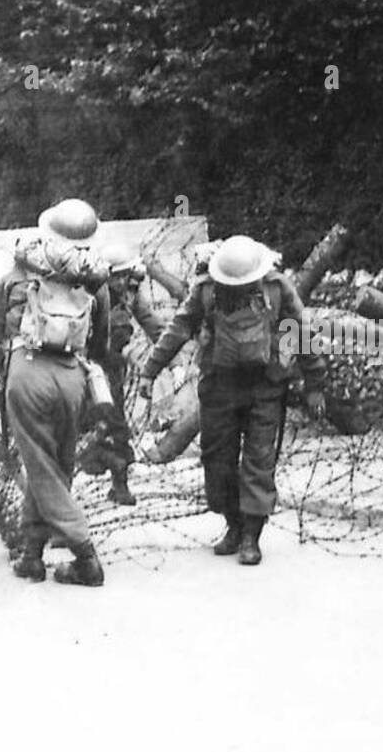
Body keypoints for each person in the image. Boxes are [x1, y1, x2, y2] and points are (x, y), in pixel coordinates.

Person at [138, 235, 326, 565]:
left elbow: (302, 332)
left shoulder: (277, 287)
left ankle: (251, 536)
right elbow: (179, 328)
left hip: (264, 387)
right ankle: (233, 525)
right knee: (218, 462)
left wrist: (315, 383)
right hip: (219, 386)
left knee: (259, 461)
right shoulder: (206, 290)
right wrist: (150, 370)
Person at [0, 198, 113, 586]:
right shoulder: (94, 282)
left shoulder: (20, 272)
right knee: (56, 463)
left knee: (40, 465)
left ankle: (86, 556)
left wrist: (4, 365)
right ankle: (32, 555)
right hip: (73, 376)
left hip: (28, 372)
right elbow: (100, 345)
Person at [77, 240, 167, 505]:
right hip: (88, 365)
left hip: (113, 366)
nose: (126, 284)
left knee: (115, 421)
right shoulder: (90, 293)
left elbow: (150, 321)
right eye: (121, 277)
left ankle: (120, 483)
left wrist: (166, 356)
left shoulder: (130, 291)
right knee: (83, 425)